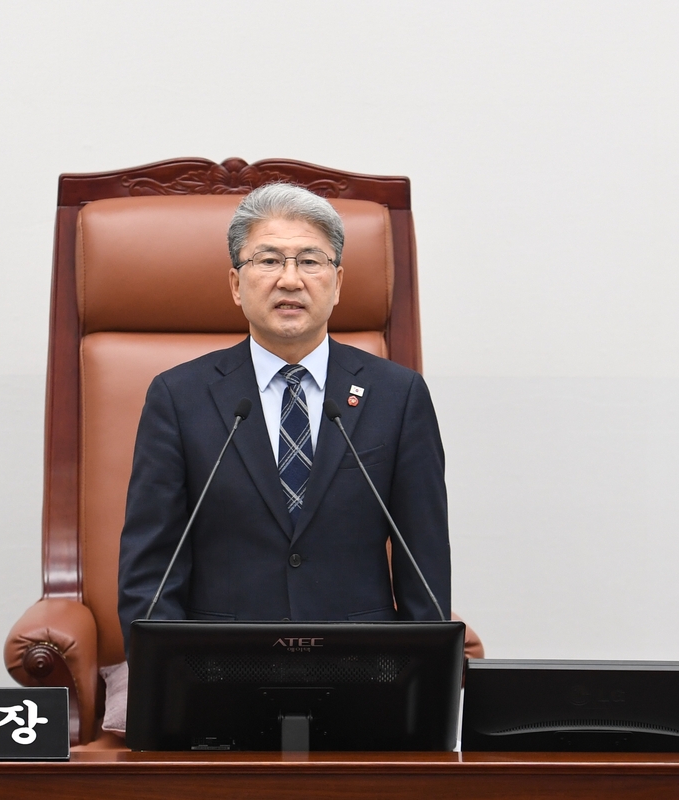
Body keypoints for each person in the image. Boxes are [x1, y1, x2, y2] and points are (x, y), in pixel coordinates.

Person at [117, 183, 450, 649]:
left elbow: (424, 562)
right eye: (269, 260)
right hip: (219, 669)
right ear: (236, 284)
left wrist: (420, 691)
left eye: (310, 261)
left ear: (338, 283)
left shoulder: (398, 395)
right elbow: (151, 569)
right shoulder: (178, 397)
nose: (290, 280)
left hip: (361, 669)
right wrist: (167, 685)